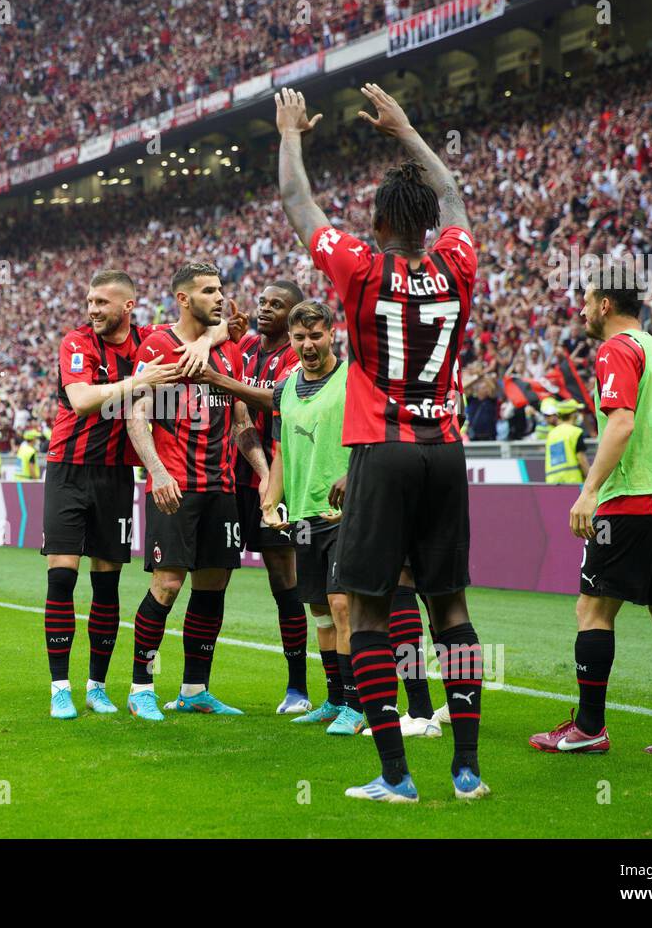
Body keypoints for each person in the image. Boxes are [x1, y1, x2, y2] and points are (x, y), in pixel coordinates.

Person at [276, 83, 487, 802]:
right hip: (446, 450)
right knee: (450, 609)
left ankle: (396, 774)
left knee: (365, 610)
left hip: (382, 450)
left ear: (374, 221)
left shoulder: (362, 269)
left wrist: (291, 135)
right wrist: (406, 130)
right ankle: (466, 770)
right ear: (430, 222)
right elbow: (455, 193)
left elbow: (299, 206)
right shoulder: (457, 264)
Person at [529, 280, 652, 758]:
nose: (582, 312)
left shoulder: (616, 348)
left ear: (605, 305)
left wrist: (589, 491)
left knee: (593, 611)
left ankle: (589, 727)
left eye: (586, 303)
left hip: (632, 497)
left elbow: (622, 422)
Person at [40, 269, 216, 719]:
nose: (93, 309)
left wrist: (203, 343)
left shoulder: (148, 342)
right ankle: (60, 686)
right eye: (90, 301)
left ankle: (96, 685)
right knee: (62, 577)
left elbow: (223, 320)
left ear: (128, 306)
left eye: (102, 302)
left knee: (107, 582)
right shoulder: (76, 343)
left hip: (117, 476)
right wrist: (139, 382)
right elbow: (81, 400)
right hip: (69, 470)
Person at [125, 262, 270, 720]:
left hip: (222, 489)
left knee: (213, 586)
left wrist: (265, 475)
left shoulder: (227, 352)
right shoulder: (159, 347)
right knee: (167, 584)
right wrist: (158, 472)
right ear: (183, 299)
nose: (219, 297)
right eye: (209, 291)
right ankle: (140, 686)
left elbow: (243, 424)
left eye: (220, 289)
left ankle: (194, 689)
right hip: (175, 488)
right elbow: (137, 416)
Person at [192, 279, 312, 714]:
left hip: (283, 482)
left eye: (276, 305)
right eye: (262, 302)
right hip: (229, 481)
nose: (265, 309)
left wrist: (220, 378)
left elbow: (274, 401)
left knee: (286, 582)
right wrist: (223, 335)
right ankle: (196, 687)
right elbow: (239, 414)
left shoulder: (296, 358)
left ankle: (298, 688)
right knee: (214, 577)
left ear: (294, 316)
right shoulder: (243, 349)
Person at [260, 300, 363, 734]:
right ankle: (334, 699)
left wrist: (351, 474)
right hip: (302, 514)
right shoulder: (285, 387)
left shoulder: (353, 378)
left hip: (344, 511)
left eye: (315, 335)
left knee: (343, 606)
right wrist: (270, 500)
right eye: (299, 337)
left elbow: (372, 438)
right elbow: (282, 452)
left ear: (332, 333)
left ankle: (358, 706)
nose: (307, 344)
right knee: (319, 609)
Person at [544, 399, 589, 484]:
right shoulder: (575, 432)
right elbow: (582, 460)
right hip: (572, 480)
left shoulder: (551, 434)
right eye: (577, 411)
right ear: (573, 414)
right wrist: (591, 481)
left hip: (552, 481)